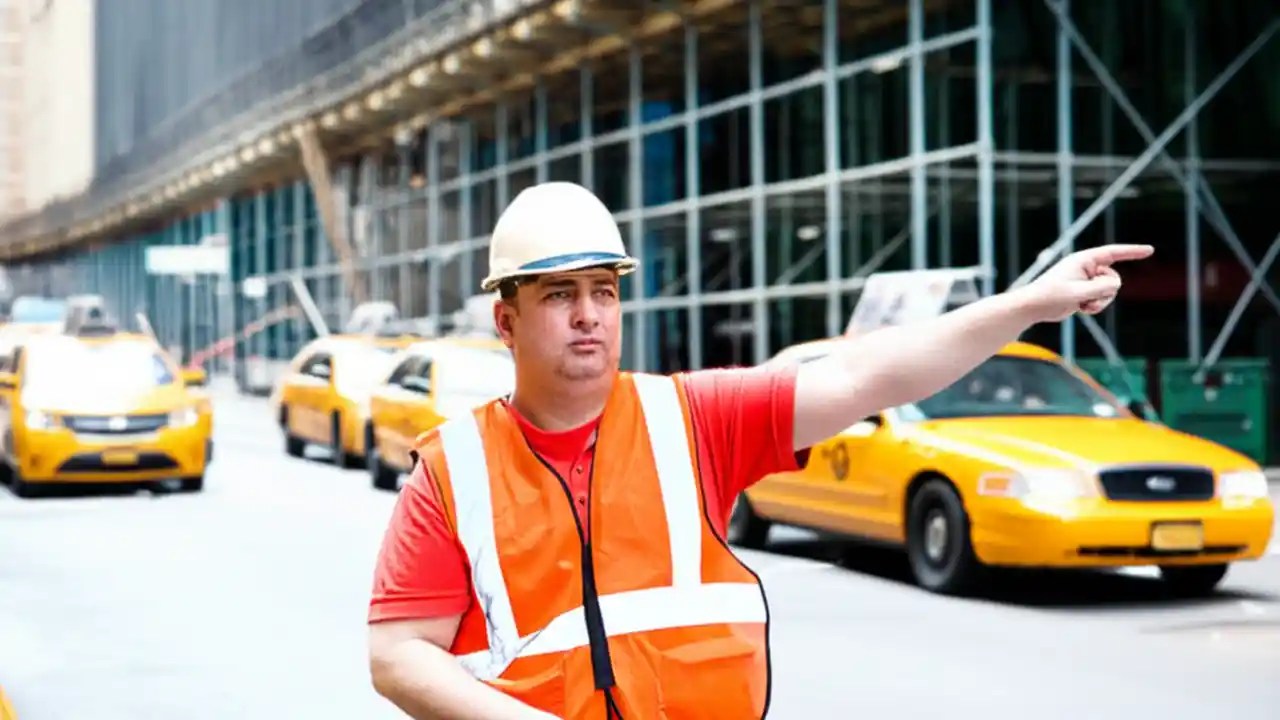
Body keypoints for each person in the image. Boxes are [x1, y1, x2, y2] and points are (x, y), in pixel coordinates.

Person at [366, 181, 1153, 720]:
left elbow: (861, 372)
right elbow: (399, 653)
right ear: (505, 321)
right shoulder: (455, 470)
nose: (589, 316)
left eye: (603, 291)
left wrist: (1027, 304)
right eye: (558, 295)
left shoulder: (692, 417)